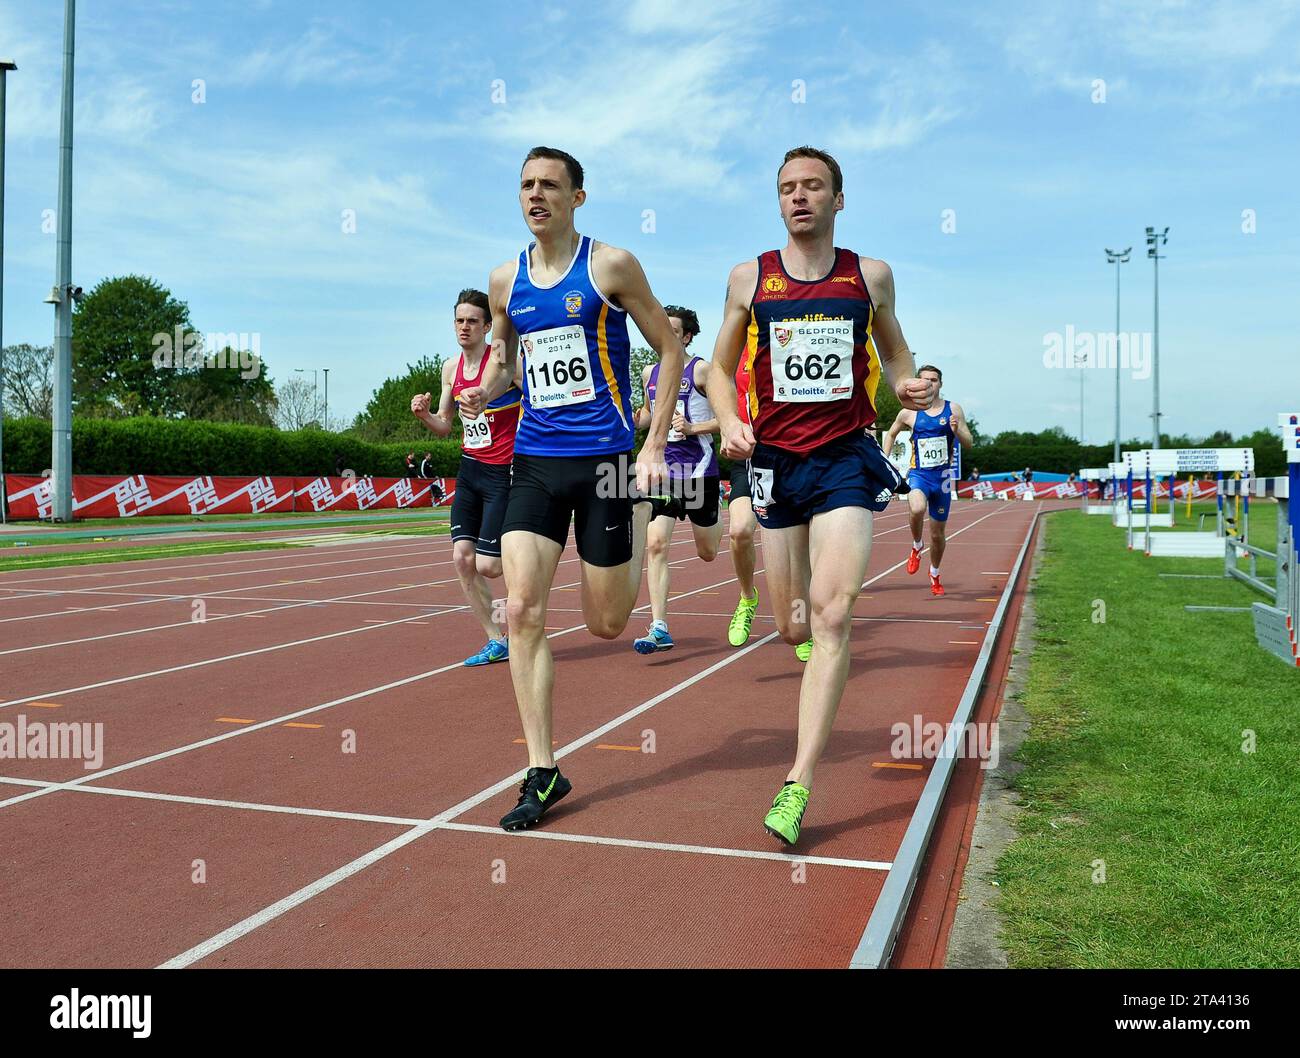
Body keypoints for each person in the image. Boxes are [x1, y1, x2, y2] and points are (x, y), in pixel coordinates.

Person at [707, 146, 929, 847]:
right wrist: (733, 420)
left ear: (839, 199)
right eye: (786, 189)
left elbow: (895, 356)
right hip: (774, 463)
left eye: (813, 187)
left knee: (833, 615)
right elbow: (717, 368)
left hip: (843, 460)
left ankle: (797, 781)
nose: (799, 197)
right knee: (794, 626)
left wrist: (912, 386)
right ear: (777, 202)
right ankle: (789, 634)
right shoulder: (750, 278)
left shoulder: (870, 276)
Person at [459, 146, 683, 832]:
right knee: (522, 609)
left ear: (577, 197)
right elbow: (504, 361)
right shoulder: (504, 280)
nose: (536, 195)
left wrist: (652, 445)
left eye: (550, 185)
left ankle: (633, 541)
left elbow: (668, 348)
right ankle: (542, 769)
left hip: (610, 461)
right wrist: (483, 393)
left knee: (606, 623)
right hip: (534, 458)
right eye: (526, 184)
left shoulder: (609, 265)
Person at [411, 288, 523, 667]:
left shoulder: (505, 363)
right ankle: (497, 639)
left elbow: (539, 402)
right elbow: (445, 425)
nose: (464, 327)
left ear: (488, 327)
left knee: (490, 565)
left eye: (473, 321)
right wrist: (425, 414)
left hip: (504, 470)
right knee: (463, 558)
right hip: (470, 470)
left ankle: (532, 570)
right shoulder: (449, 368)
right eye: (459, 320)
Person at [629, 305, 722, 654]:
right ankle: (659, 627)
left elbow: (727, 418)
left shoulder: (702, 371)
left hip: (700, 470)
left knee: (708, 551)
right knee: (656, 544)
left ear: (686, 336)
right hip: (665, 471)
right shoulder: (648, 372)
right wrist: (627, 414)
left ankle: (719, 521)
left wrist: (693, 427)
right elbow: (650, 416)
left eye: (672, 329)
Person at [882, 365, 973, 598]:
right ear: (918, 383)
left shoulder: (953, 409)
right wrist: (885, 460)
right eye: (925, 380)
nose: (929, 383)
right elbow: (891, 433)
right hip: (918, 474)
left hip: (942, 479)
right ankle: (916, 545)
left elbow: (969, 442)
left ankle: (934, 572)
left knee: (938, 535)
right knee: (917, 507)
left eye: (934, 380)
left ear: (940, 384)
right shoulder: (909, 412)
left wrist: (957, 430)